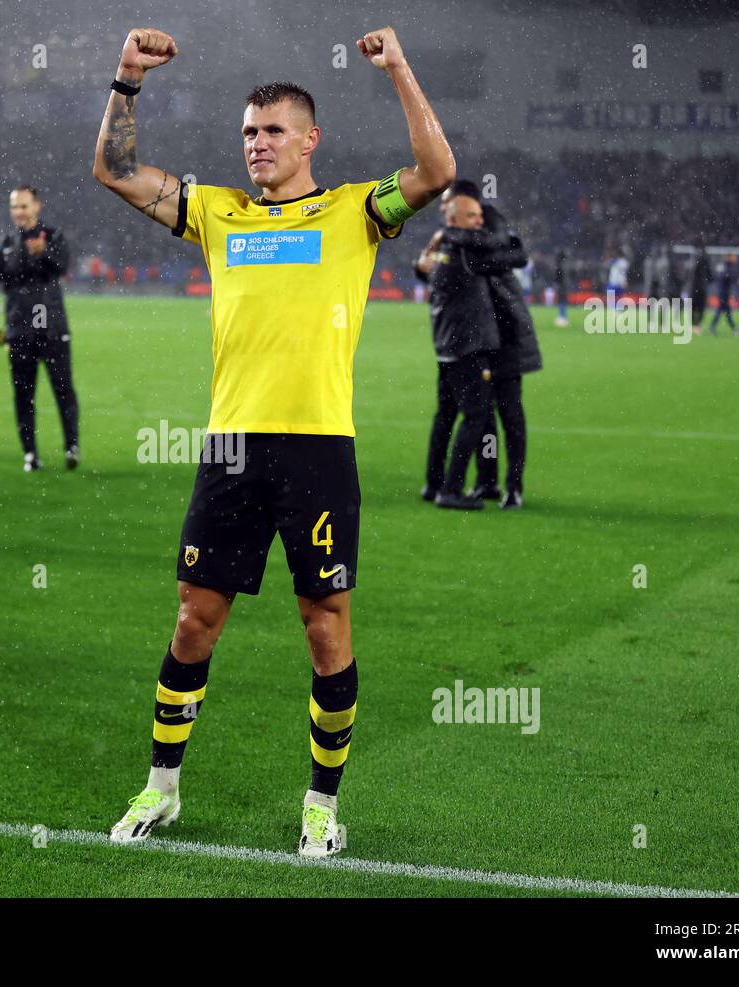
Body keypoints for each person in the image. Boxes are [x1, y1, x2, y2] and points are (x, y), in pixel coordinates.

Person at [93, 26, 454, 856]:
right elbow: (113, 170)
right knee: (194, 620)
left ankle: (322, 803)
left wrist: (399, 67)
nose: (257, 145)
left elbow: (437, 173)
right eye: (249, 133)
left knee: (326, 626)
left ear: (309, 139)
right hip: (230, 446)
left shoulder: (358, 211)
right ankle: (160, 788)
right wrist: (127, 77)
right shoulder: (216, 212)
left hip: (319, 446)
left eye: (273, 132)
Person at [417, 195, 525, 510]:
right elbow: (514, 254)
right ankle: (451, 490)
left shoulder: (445, 254)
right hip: (468, 349)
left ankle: (435, 484)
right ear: (454, 221)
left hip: (448, 349)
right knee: (476, 416)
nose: (480, 221)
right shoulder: (465, 253)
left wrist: (436, 243)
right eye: (473, 215)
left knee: (446, 416)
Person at [0, 185, 79, 471]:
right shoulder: (6, 242)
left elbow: (61, 267)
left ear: (37, 206)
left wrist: (43, 254)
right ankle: (30, 453)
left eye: (24, 206)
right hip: (19, 331)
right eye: (15, 207)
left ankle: (71, 447)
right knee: (23, 394)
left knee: (63, 389)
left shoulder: (52, 236)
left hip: (52, 328)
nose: (19, 212)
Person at [465, 202, 541, 509]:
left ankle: (514, 485)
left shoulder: (488, 221)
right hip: (479, 342)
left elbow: (517, 253)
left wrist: (478, 259)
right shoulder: (460, 233)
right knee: (482, 418)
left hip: (507, 342)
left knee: (510, 416)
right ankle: (487, 482)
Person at [709, 254, 739, 335]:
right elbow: (725, 277)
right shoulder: (726, 267)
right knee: (722, 310)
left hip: (724, 291)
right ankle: (713, 327)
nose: (735, 258)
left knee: (725, 311)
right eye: (733, 256)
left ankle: (733, 328)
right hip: (723, 292)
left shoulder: (725, 266)